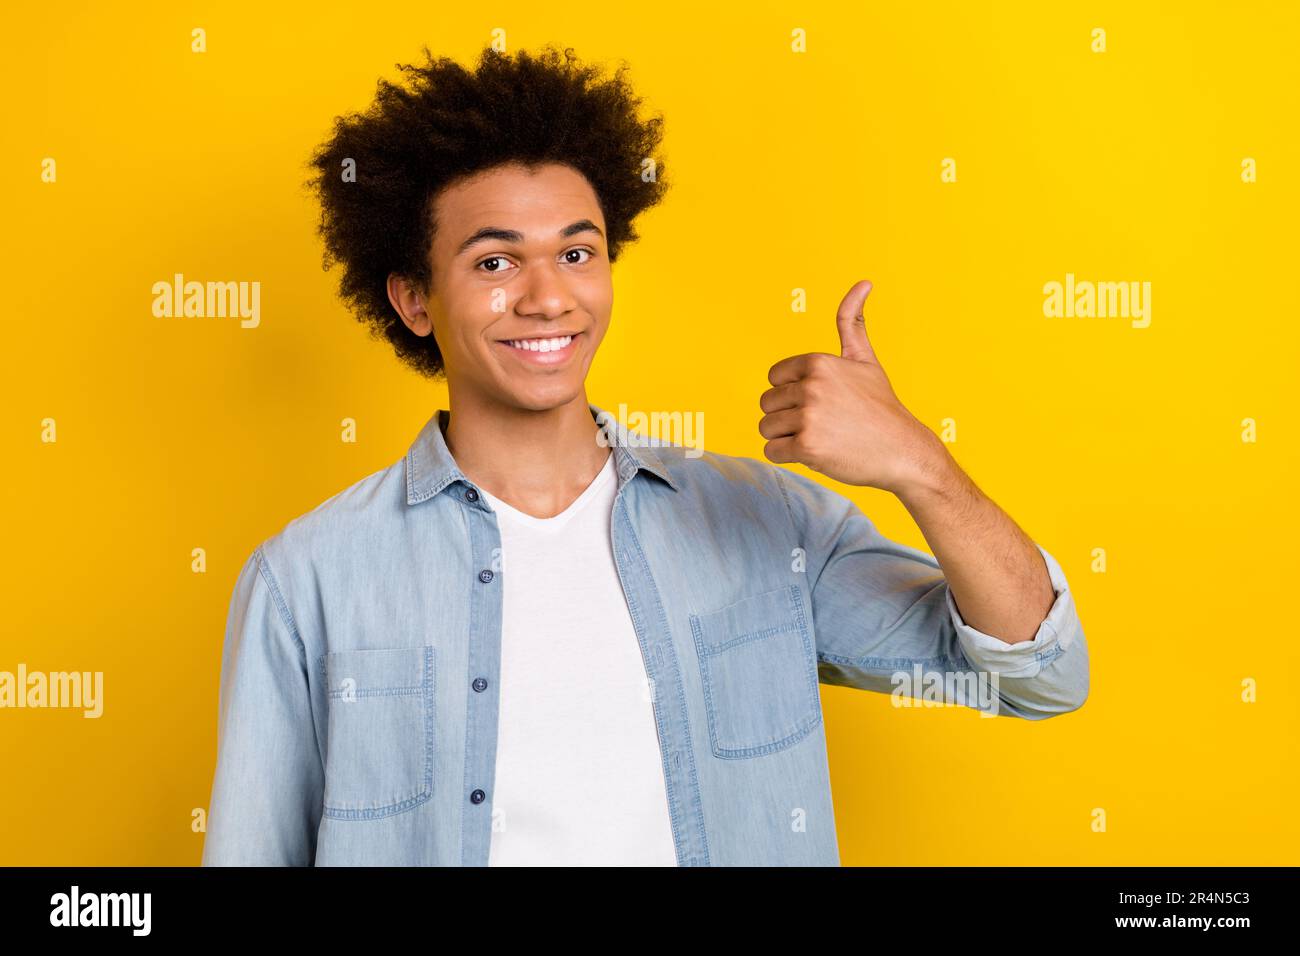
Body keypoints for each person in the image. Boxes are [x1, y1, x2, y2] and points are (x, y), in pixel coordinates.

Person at [201, 44, 1088, 867]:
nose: (548, 296)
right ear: (414, 300)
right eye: (495, 263)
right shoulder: (307, 580)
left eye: (576, 252)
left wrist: (919, 465)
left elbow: (1039, 678)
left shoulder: (765, 523)